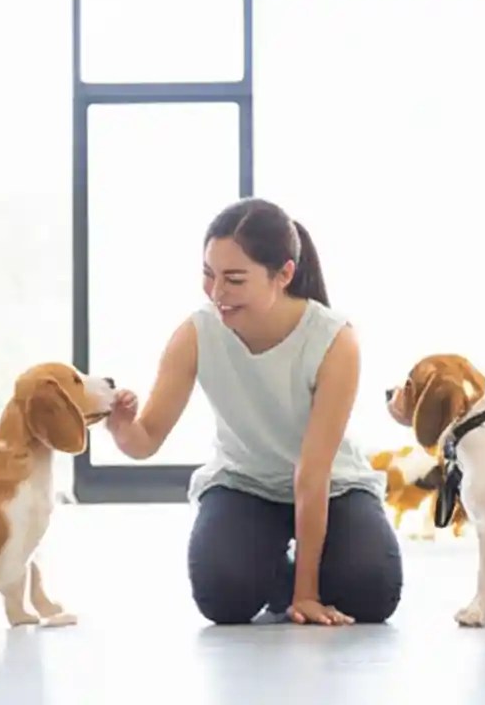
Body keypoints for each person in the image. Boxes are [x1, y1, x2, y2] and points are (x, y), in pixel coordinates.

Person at [104, 197, 402, 626]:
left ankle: (308, 572)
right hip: (244, 483)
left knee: (372, 591)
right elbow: (145, 441)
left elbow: (312, 473)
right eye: (209, 274)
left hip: (332, 486)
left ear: (284, 274)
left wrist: (306, 595)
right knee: (223, 597)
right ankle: (275, 572)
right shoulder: (196, 333)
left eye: (234, 279)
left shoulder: (335, 340)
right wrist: (122, 427)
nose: (217, 293)